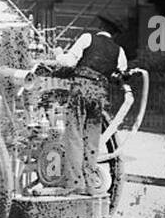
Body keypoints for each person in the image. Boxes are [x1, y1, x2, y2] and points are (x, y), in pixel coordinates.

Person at [50, 16, 129, 196]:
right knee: (92, 138)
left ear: (100, 26)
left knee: (74, 135)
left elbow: (68, 62)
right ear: (114, 34)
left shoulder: (87, 38)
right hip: (99, 94)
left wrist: (58, 54)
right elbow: (120, 73)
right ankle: (90, 183)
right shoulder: (119, 51)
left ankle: (75, 182)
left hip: (80, 89)